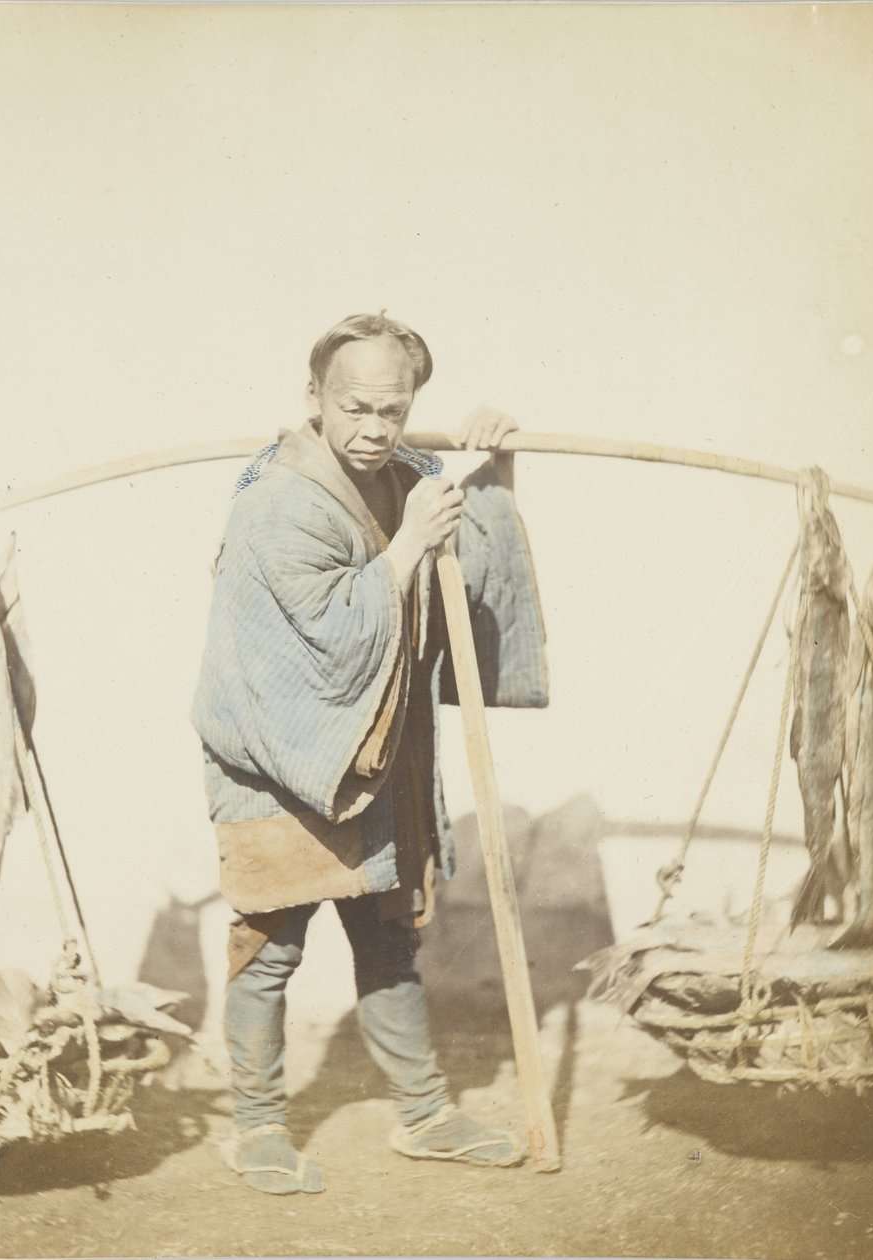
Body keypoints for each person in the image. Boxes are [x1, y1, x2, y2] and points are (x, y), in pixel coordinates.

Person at [191, 312, 548, 1195]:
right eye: (354, 408)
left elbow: (471, 539)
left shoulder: (405, 472)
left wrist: (492, 458)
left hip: (374, 753)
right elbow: (323, 635)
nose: (375, 429)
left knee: (390, 942)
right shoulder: (276, 498)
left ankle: (423, 1115)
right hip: (280, 756)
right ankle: (258, 1126)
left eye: (394, 410)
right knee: (269, 949)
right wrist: (407, 547)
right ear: (313, 398)